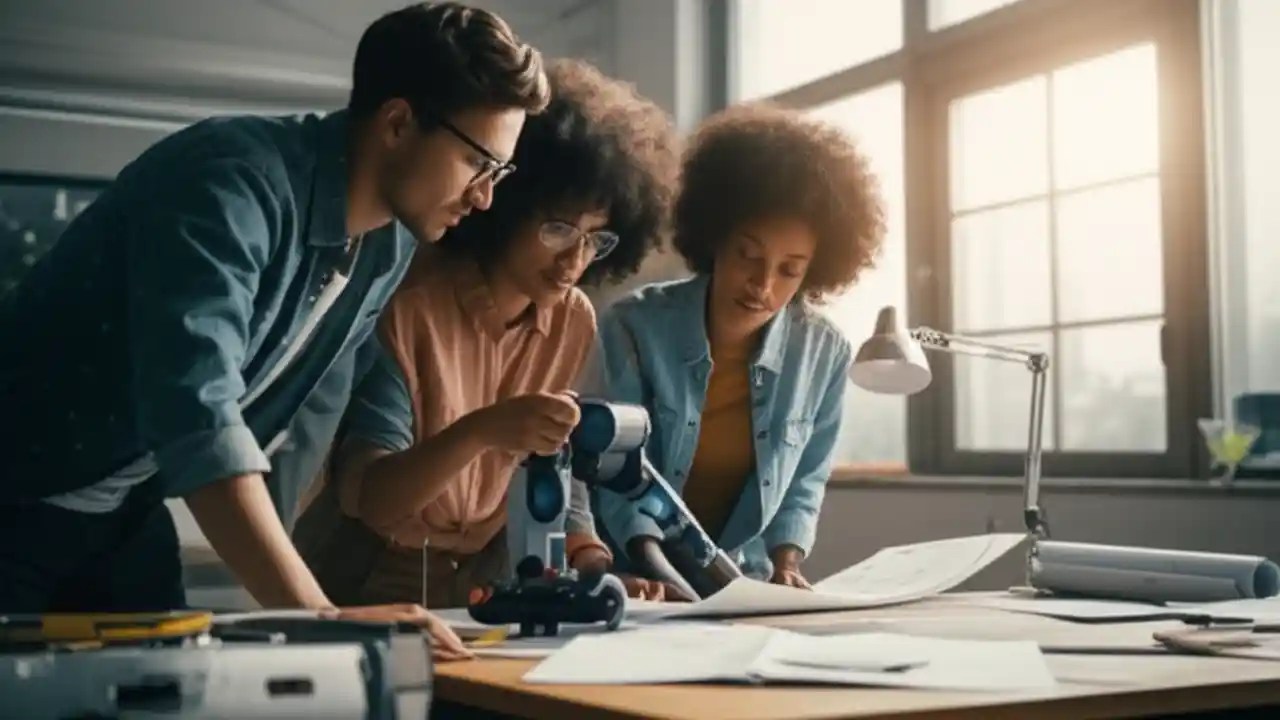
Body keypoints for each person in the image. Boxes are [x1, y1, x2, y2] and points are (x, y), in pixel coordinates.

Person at [0, 1, 548, 659]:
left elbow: (303, 421)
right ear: (399, 123)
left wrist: (301, 598)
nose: (486, 196)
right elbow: (197, 419)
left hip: (124, 518)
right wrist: (321, 614)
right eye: (480, 164)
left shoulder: (385, 248)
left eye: (501, 174)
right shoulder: (229, 181)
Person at [291, 59, 681, 607]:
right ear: (503, 203)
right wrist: (482, 431)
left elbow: (558, 461)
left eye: (597, 239)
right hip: (364, 566)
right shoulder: (407, 304)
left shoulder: (574, 318)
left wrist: (592, 561)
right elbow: (372, 498)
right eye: (558, 228)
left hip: (483, 571)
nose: (575, 258)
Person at [587, 104, 886, 593]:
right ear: (716, 235)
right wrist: (653, 568)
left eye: (790, 270)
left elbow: (805, 481)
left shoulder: (824, 354)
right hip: (635, 581)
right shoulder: (635, 328)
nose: (762, 284)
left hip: (741, 584)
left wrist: (786, 563)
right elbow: (614, 471)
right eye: (748, 255)